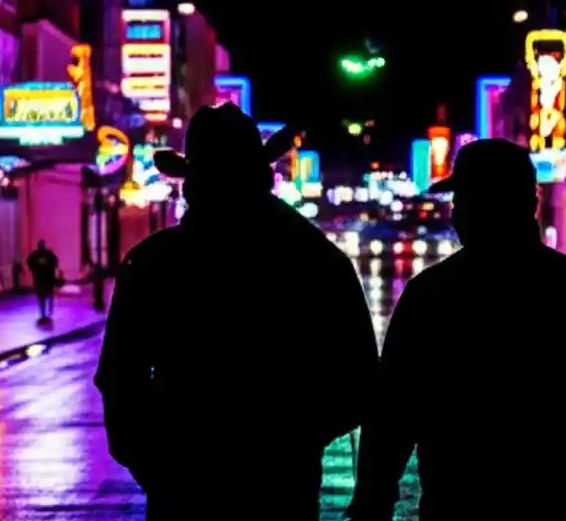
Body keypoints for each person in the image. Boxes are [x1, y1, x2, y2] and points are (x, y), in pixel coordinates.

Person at [96, 103, 379, 520]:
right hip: (281, 490)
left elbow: (120, 381)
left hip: (185, 489)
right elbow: (358, 383)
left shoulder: (152, 262)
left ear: (192, 183)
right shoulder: (315, 258)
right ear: (262, 176)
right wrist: (294, 439)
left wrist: (156, 463)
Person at [347, 139, 566, 521]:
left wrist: (374, 496)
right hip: (556, 501)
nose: (456, 215)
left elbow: (392, 413)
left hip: (459, 504)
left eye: (463, 201)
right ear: (532, 206)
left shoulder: (433, 293)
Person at [27, 241, 59, 321]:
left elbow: (29, 262)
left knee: (41, 297)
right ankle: (49, 308)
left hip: (39, 278)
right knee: (49, 294)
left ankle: (43, 313)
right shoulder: (49, 254)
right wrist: (51, 270)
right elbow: (55, 262)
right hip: (48, 278)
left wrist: (33, 269)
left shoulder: (35, 255)